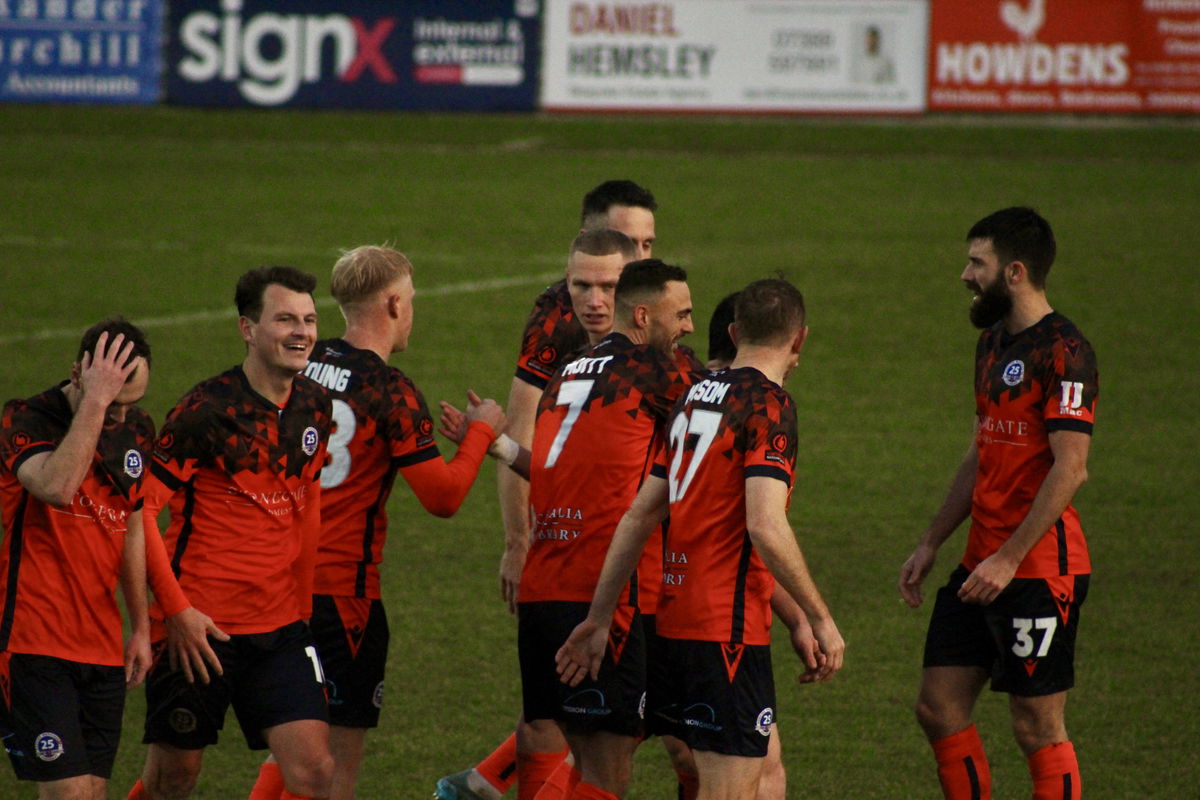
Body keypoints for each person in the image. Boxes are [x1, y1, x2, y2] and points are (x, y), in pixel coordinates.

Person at [557, 278, 845, 800]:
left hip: (673, 626)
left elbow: (639, 516)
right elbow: (765, 523)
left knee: (749, 776)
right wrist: (819, 617)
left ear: (734, 333)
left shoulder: (693, 399)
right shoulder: (770, 405)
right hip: (726, 634)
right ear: (800, 339)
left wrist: (599, 619)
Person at [241, 246, 505, 800]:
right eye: (410, 300)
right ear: (391, 304)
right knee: (332, 774)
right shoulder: (390, 390)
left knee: (290, 749)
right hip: (344, 599)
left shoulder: (297, 365)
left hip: (274, 585)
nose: (412, 311)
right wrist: (483, 430)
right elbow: (443, 497)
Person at [436, 181, 660, 800]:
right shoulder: (628, 366)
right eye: (585, 283)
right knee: (614, 746)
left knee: (596, 733)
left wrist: (496, 446)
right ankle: (484, 781)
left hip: (580, 575)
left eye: (646, 247)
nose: (596, 297)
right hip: (602, 580)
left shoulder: (599, 368)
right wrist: (517, 534)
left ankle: (483, 781)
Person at [897, 207, 1097, 800]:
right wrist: (933, 539)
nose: (965, 275)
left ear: (1013, 272)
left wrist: (1009, 559)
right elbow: (983, 448)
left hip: (1037, 570)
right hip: (980, 564)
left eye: (976, 263)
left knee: (1036, 726)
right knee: (939, 708)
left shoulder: (1065, 351)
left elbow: (1072, 468)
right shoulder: (991, 342)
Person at [128, 266, 336, 800]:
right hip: (200, 629)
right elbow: (140, 512)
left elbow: (308, 504)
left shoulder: (315, 404)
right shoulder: (206, 411)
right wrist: (176, 611)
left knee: (314, 773)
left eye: (310, 319)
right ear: (248, 328)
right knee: (175, 779)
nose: (302, 332)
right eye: (286, 318)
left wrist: (303, 605)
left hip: (281, 626)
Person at [0, 319, 221, 800]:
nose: (122, 417)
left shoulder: (135, 429)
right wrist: (96, 404)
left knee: (95, 793)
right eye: (114, 400)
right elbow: (56, 487)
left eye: (132, 402)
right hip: (33, 643)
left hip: (101, 647)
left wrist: (142, 626)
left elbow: (133, 527)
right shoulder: (26, 418)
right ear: (78, 373)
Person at [519, 258, 697, 800]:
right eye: (682, 314)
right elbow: (722, 415)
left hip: (543, 587)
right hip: (604, 594)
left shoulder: (568, 370)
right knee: (608, 768)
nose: (688, 327)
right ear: (644, 316)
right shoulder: (655, 373)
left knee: (585, 755)